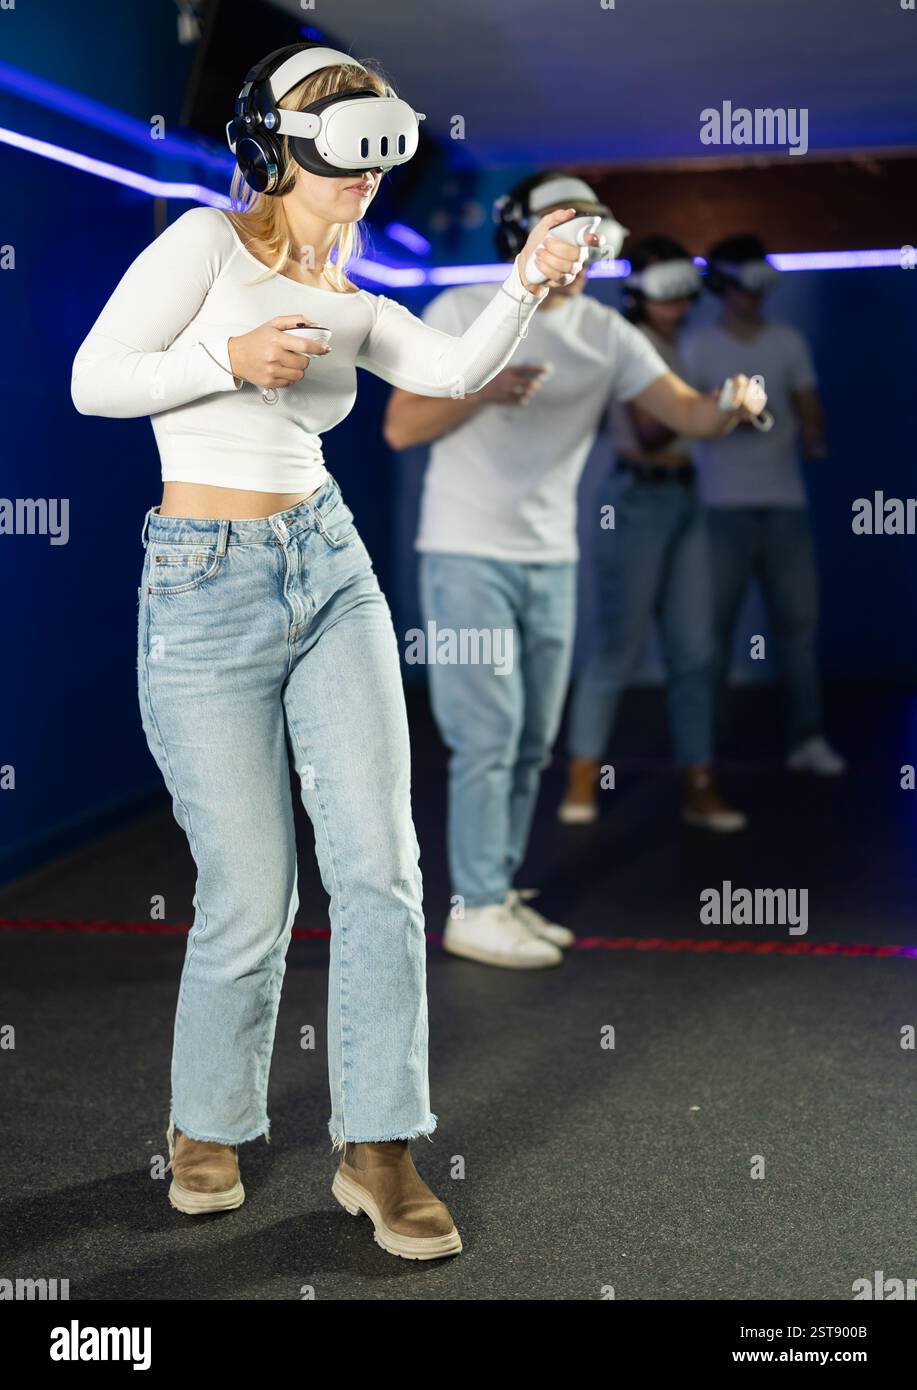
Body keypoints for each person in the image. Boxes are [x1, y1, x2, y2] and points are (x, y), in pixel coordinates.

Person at [70, 44, 588, 1260]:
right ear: (275, 149)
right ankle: (206, 1122)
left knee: (383, 868)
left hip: (330, 567)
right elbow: (95, 379)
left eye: (372, 156)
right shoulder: (204, 245)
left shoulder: (358, 295)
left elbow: (454, 370)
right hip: (200, 583)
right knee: (251, 890)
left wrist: (522, 280)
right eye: (333, 154)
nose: (358, 182)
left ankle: (378, 1148)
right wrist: (224, 360)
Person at [384, 173, 769, 971]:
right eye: (566, 231)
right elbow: (400, 426)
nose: (582, 252)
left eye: (595, 235)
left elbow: (687, 414)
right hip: (464, 550)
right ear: (523, 235)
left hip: (551, 555)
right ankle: (474, 908)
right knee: (486, 736)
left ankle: (497, 889)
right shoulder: (460, 312)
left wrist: (729, 404)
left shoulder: (606, 333)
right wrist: (482, 389)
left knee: (529, 743)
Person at [560, 237, 747, 831]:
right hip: (635, 501)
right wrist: (710, 407)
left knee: (695, 651)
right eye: (668, 291)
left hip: (685, 498)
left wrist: (718, 408)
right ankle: (582, 778)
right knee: (618, 647)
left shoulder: (675, 343)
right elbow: (646, 431)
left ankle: (699, 783)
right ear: (640, 289)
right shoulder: (623, 340)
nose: (682, 302)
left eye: (686, 291)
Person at [682, 234, 845, 776]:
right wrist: (725, 413)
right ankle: (704, 754)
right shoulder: (699, 347)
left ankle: (807, 738)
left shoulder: (788, 341)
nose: (755, 297)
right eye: (745, 286)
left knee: (798, 627)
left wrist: (814, 437)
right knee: (713, 634)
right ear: (725, 287)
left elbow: (811, 413)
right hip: (720, 509)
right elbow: (684, 419)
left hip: (785, 506)